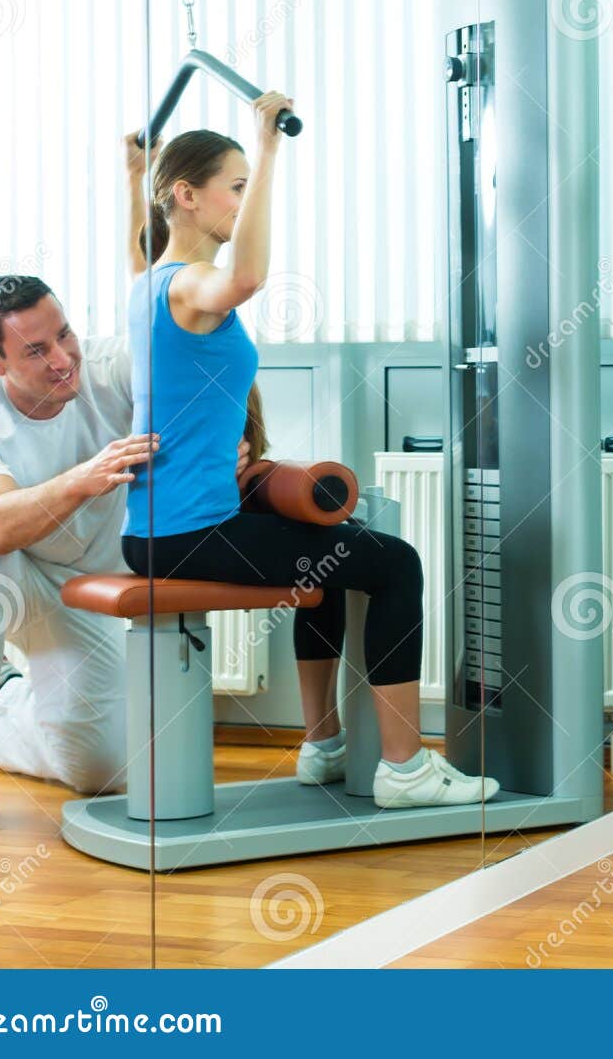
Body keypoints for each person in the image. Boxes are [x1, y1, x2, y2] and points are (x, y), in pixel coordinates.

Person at [125, 93, 496, 808]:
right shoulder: (194, 285)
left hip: (158, 529)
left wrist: (131, 173)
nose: (241, 200)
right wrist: (267, 148)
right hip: (189, 531)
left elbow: (149, 245)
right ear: (186, 196)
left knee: (329, 545)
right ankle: (405, 769)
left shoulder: (146, 285)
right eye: (232, 188)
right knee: (398, 564)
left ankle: (322, 745)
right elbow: (248, 278)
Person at [0, 276, 152, 824]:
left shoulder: (108, 367)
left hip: (91, 593)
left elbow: (182, 341)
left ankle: (3, 698)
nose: (62, 360)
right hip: (12, 575)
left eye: (65, 334)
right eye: (37, 350)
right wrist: (85, 478)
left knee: (104, 772)